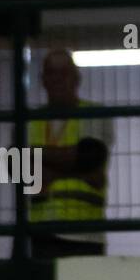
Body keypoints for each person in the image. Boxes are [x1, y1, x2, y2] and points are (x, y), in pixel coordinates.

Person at [28, 48, 113, 259]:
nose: (56, 79)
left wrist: (36, 157)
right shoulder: (26, 120)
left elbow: (90, 160)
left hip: (85, 235)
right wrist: (76, 165)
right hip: (41, 234)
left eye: (63, 73)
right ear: (43, 80)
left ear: (77, 79)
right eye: (51, 73)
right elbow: (13, 169)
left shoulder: (95, 115)